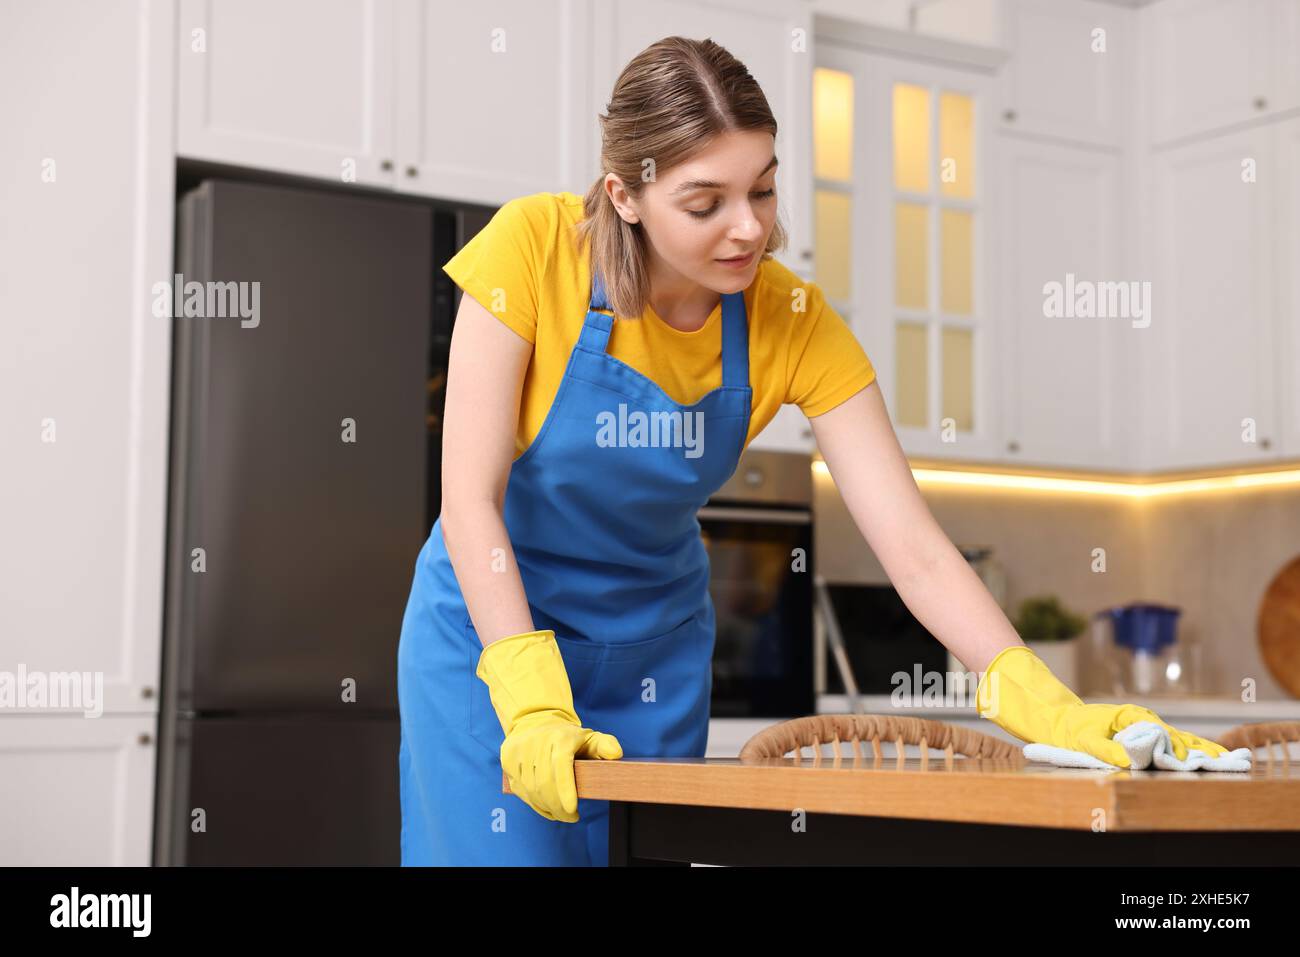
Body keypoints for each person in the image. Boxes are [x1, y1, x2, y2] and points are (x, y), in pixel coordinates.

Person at [396, 36, 1232, 867]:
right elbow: (470, 498)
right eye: (706, 203)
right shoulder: (533, 250)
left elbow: (915, 551)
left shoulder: (791, 319)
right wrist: (530, 696)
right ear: (625, 194)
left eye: (761, 189)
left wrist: (1044, 702)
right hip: (492, 639)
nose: (749, 228)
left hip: (653, 645)